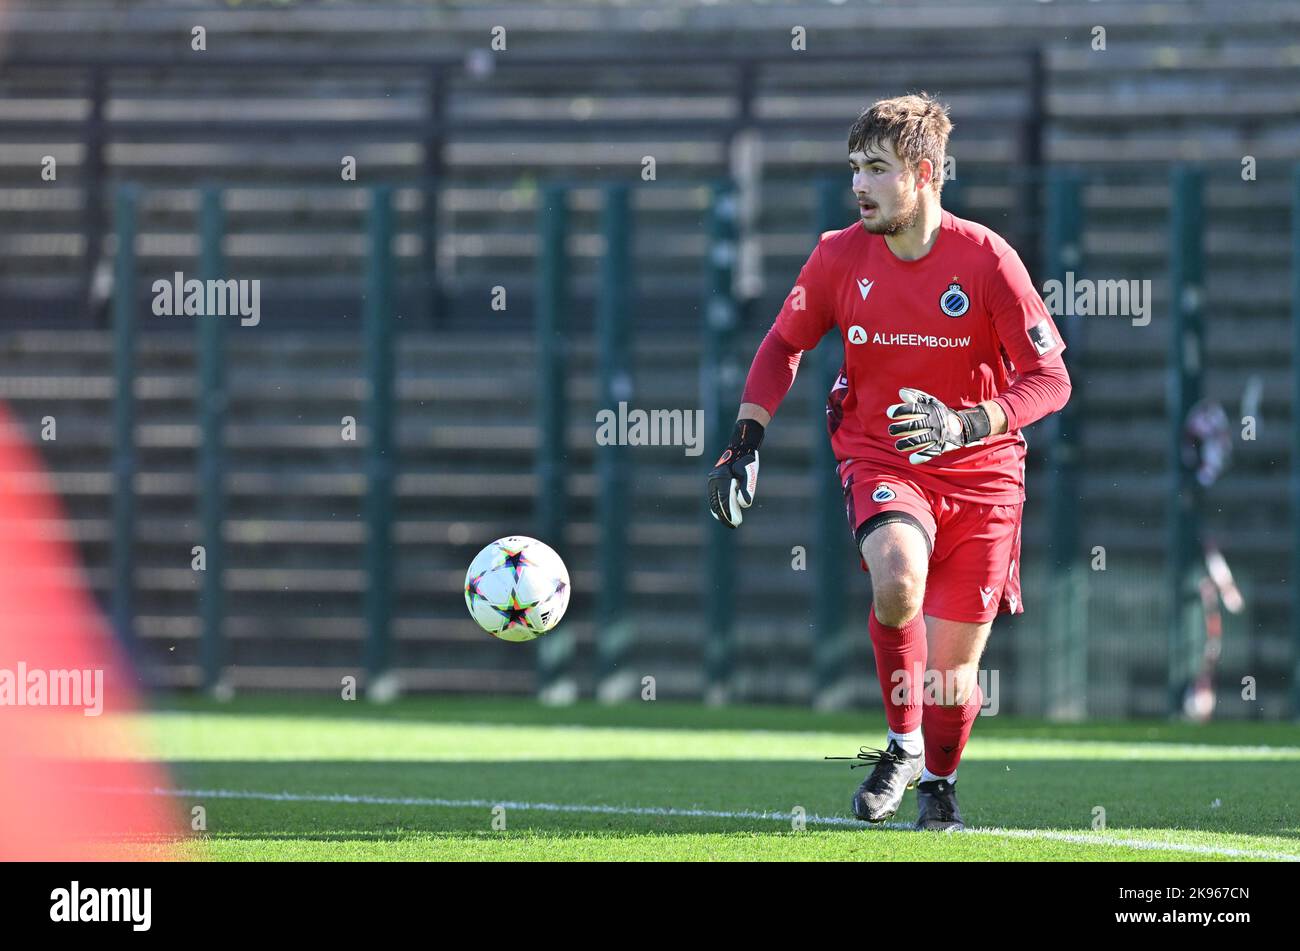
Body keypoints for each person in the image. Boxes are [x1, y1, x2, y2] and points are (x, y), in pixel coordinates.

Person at [707, 93, 1072, 831]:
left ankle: (939, 780)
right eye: (854, 169)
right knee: (898, 579)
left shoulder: (987, 259)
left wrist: (969, 421)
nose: (859, 186)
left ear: (926, 173)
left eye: (876, 168)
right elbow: (784, 344)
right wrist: (745, 440)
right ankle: (901, 747)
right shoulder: (839, 255)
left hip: (985, 473)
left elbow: (1051, 380)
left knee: (951, 678)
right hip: (884, 457)